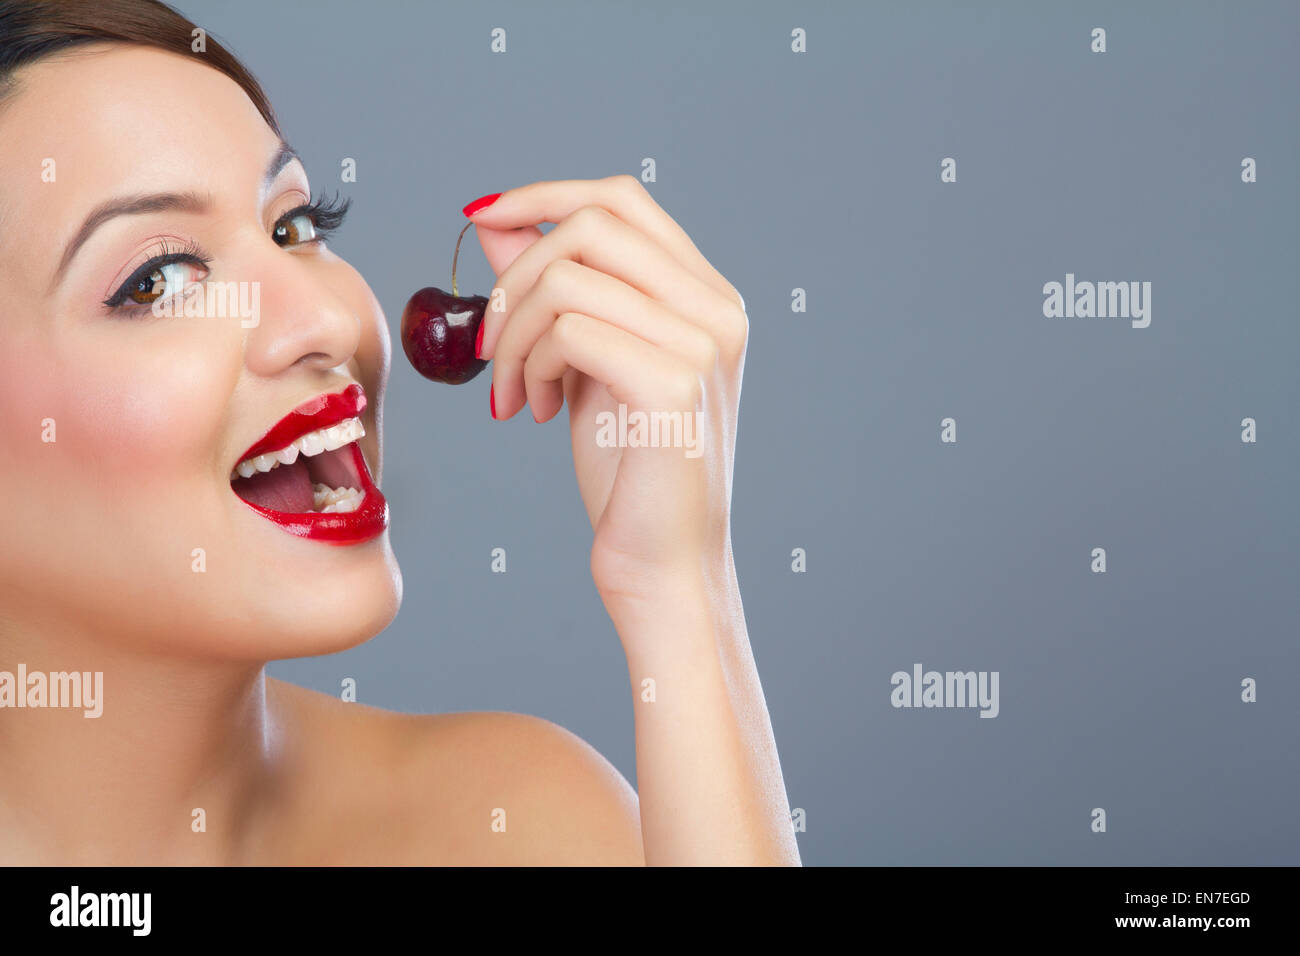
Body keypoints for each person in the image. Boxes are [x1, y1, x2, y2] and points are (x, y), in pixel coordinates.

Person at [0, 0, 799, 865]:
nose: (326, 320)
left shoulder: (518, 822)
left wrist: (679, 589)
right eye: (156, 280)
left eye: (293, 227)